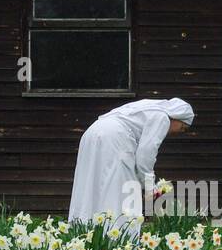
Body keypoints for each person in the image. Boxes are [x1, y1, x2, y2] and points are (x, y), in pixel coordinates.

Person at [68, 97, 194, 232]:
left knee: (90, 184)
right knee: (122, 190)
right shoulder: (162, 117)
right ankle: (118, 240)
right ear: (177, 117)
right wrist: (150, 186)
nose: (179, 132)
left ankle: (82, 231)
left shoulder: (148, 107)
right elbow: (145, 155)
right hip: (115, 138)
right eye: (182, 127)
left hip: (92, 133)